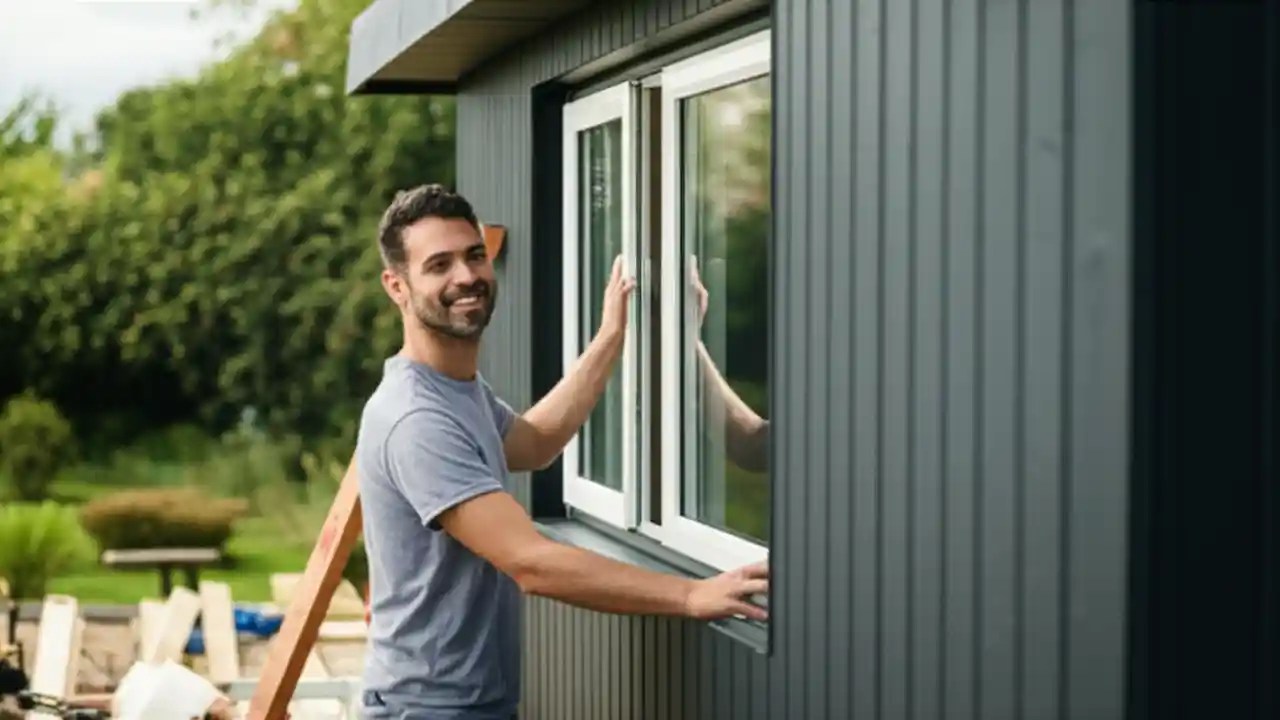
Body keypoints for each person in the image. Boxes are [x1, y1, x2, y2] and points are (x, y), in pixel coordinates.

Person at [354, 184, 768, 720]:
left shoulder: (456, 391)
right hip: (430, 709)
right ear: (397, 286)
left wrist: (611, 336)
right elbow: (531, 562)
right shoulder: (418, 419)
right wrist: (691, 596)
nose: (466, 276)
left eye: (474, 255)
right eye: (439, 265)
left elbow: (532, 443)